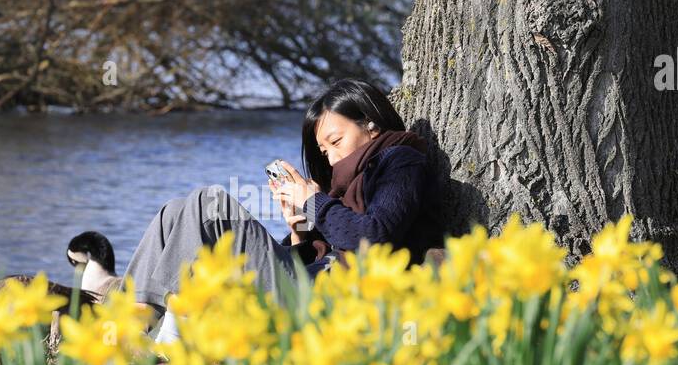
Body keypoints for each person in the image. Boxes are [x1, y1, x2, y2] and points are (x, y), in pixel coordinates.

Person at [122, 78, 444, 342]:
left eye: (336, 141)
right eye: (323, 149)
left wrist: (313, 203)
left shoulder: (400, 160)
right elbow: (322, 251)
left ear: (371, 125)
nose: (330, 158)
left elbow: (372, 237)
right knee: (175, 211)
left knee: (211, 204)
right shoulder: (339, 187)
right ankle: (133, 319)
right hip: (310, 283)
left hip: (333, 301)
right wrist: (299, 232)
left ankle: (158, 335)